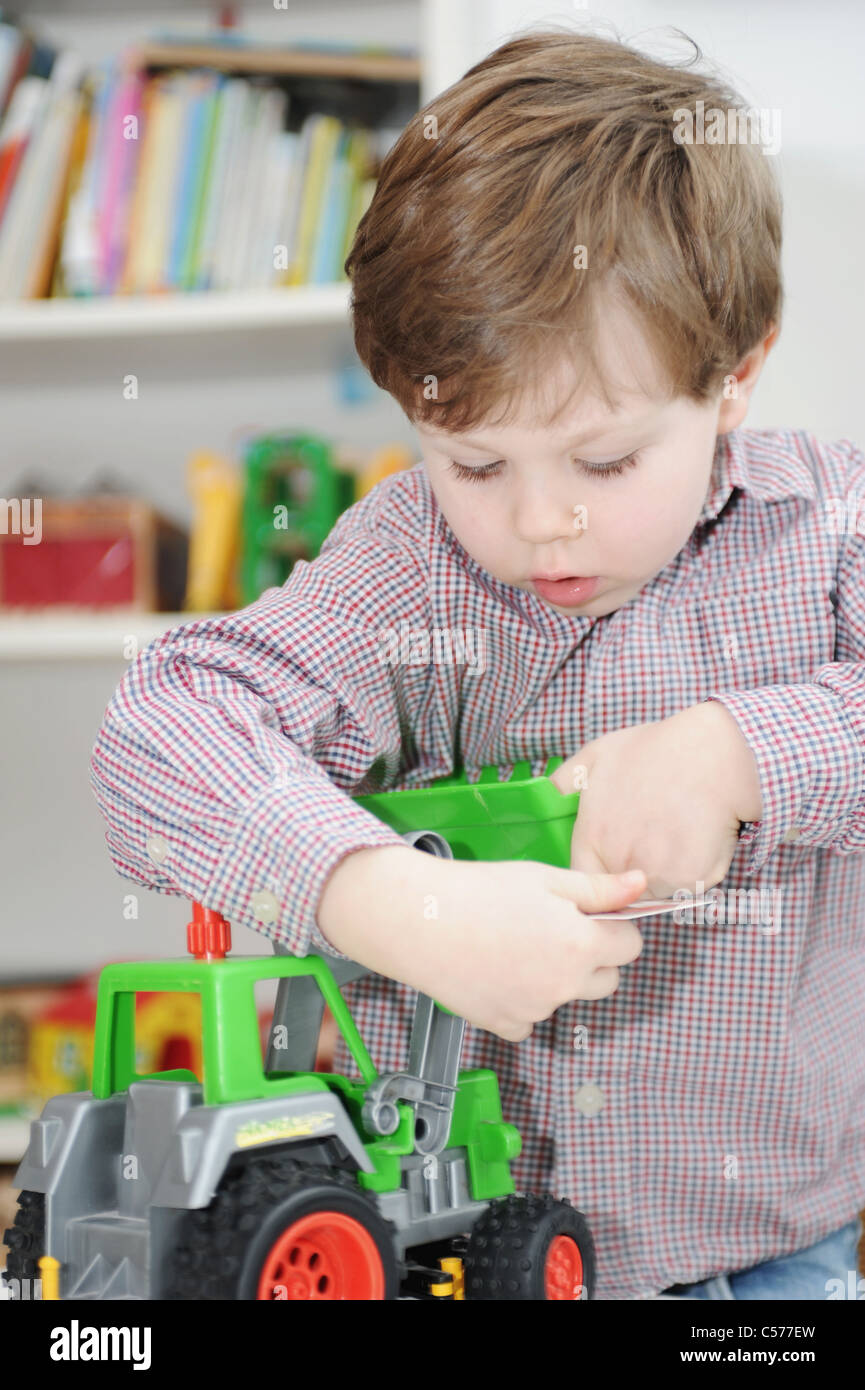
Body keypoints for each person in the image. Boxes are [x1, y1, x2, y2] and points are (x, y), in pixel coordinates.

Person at [89, 29, 865, 1300]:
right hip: (464, 1253)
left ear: (736, 375)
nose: (538, 520)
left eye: (604, 461)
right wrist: (392, 902)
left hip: (777, 1248)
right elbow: (161, 725)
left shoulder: (828, 527)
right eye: (476, 464)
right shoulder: (409, 563)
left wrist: (745, 751)